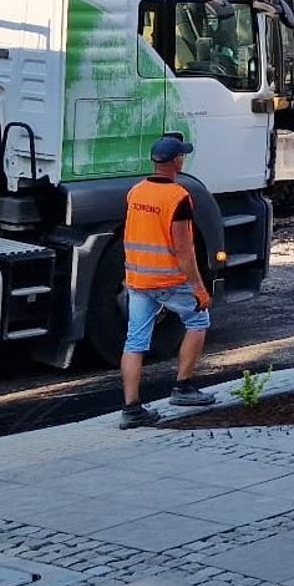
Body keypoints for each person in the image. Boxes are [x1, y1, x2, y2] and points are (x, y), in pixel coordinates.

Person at [118, 135, 216, 429]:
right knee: (199, 322)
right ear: (176, 161)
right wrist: (199, 288)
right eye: (181, 156)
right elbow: (184, 250)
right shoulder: (178, 197)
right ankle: (183, 388)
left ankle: (131, 409)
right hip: (169, 279)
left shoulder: (136, 192)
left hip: (137, 279)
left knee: (135, 342)